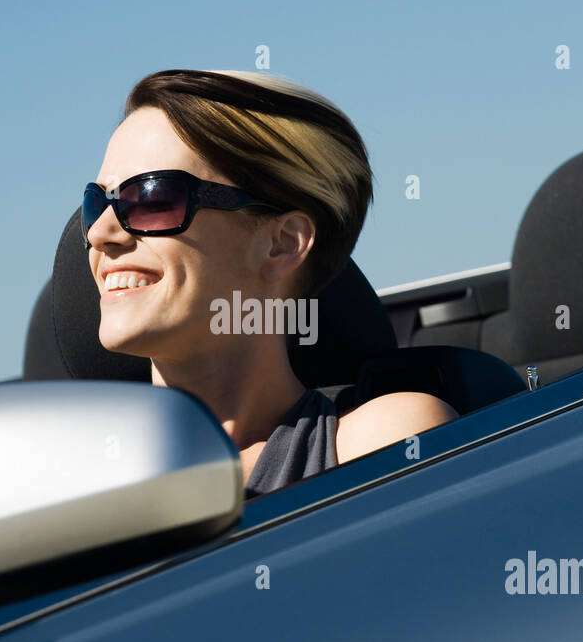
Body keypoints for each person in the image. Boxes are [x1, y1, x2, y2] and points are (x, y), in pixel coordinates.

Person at [85, 69, 456, 498]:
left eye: (153, 197)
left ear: (282, 243)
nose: (100, 233)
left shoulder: (378, 444)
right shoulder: (61, 487)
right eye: (97, 202)